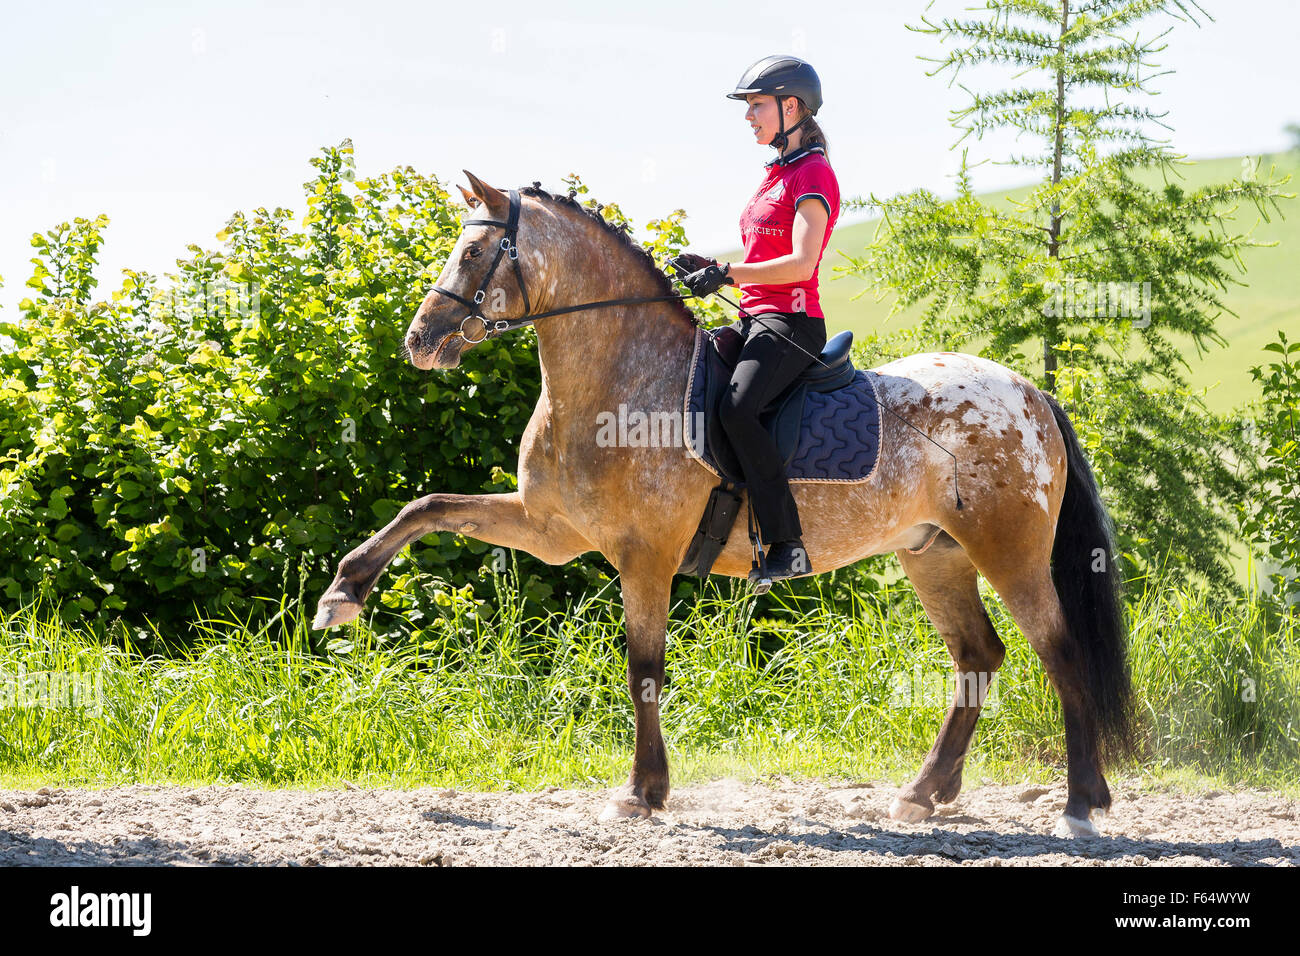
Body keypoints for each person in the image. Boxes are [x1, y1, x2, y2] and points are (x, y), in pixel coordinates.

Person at [679, 55, 840, 581]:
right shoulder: (777, 173)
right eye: (748, 108)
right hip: (753, 318)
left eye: (757, 106)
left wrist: (726, 274)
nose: (749, 116)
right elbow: (762, 252)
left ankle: (787, 543)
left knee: (738, 410)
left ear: (790, 106)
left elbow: (801, 262)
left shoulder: (813, 173)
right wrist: (710, 267)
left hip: (791, 323)